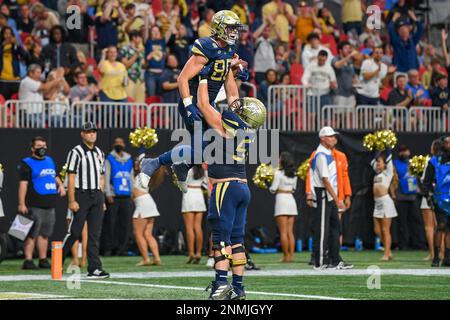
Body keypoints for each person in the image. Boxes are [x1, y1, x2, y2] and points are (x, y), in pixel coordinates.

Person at [138, 10, 247, 192]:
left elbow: (229, 84)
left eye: (235, 28)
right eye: (230, 28)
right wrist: (188, 105)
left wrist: (235, 106)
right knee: (201, 151)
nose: (234, 32)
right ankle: (154, 163)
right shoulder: (206, 47)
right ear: (219, 28)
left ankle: (182, 166)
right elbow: (182, 78)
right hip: (195, 103)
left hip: (207, 104)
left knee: (208, 149)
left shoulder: (229, 49)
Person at [196, 79, 266, 300]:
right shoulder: (249, 127)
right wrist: (228, 73)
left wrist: (203, 78)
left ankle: (220, 284)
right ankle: (238, 287)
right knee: (237, 240)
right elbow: (234, 97)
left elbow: (203, 104)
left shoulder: (226, 125)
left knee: (220, 239)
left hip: (225, 186)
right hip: (242, 187)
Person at [62, 122, 109, 279]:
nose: (92, 134)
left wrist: (101, 199)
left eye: (94, 132)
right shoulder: (76, 152)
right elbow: (71, 176)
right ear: (82, 134)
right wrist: (71, 200)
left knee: (95, 234)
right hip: (81, 195)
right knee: (75, 232)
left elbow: (101, 177)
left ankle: (94, 268)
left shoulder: (100, 153)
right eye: (89, 132)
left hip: (96, 195)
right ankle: (58, 259)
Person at [18, 136, 65, 269]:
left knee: (45, 234)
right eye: (39, 146)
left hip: (49, 204)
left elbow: (54, 175)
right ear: (32, 148)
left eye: (44, 146)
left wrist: (60, 185)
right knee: (32, 234)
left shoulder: (49, 160)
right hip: (34, 204)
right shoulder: (27, 163)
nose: (42, 149)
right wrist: (22, 203)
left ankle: (43, 259)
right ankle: (28, 260)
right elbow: (23, 184)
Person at [102, 137, 134, 256]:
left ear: (124, 145)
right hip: (114, 196)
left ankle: (122, 248)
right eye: (116, 143)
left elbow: (131, 177)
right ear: (113, 145)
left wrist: (132, 192)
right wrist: (108, 193)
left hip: (126, 196)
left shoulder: (129, 159)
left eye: (121, 142)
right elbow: (106, 176)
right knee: (110, 224)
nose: (119, 144)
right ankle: (108, 248)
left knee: (125, 224)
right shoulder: (109, 159)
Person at [422, 136, 450, 267]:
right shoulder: (435, 161)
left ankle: (448, 257)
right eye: (447, 142)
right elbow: (427, 180)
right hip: (440, 198)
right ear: (443, 144)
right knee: (441, 226)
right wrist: (427, 195)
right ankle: (436, 257)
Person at [132, 153, 163, 266]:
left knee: (138, 233)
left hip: (143, 204)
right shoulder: (145, 175)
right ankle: (157, 258)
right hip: (148, 203)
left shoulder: (142, 175)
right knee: (147, 234)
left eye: (137, 161)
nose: (135, 163)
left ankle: (146, 259)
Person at [393, 145, 426, 250]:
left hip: (413, 197)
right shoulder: (395, 163)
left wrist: (419, 188)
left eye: (405, 151)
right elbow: (393, 180)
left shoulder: (413, 163)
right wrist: (394, 194)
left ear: (409, 151)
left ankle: (419, 244)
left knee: (417, 222)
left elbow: (420, 177)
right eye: (401, 151)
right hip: (401, 197)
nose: (403, 153)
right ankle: (404, 245)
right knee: (402, 223)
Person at [269, 152, 298, 263]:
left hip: (281, 200)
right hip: (291, 200)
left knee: (283, 232)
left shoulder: (278, 173)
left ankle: (286, 256)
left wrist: (269, 184)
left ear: (283, 160)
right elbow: (294, 189)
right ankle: (291, 256)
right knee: (290, 231)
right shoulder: (294, 173)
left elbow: (273, 189)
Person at [371, 147, 397, 261]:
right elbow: (372, 158)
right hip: (377, 204)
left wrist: (387, 145)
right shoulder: (376, 172)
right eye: (377, 163)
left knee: (386, 230)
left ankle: (386, 254)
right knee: (377, 230)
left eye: (380, 162)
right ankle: (388, 250)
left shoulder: (388, 172)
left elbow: (389, 157)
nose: (377, 164)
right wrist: (376, 146)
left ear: (385, 164)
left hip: (386, 202)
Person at [182, 165, 209, 264]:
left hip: (189, 193)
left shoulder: (187, 169)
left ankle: (191, 253)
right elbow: (206, 184)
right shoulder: (203, 171)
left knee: (189, 227)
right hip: (199, 194)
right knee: (198, 227)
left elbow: (181, 182)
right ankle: (198, 253)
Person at [420, 139, 441, 261]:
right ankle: (443, 253)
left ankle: (433, 254)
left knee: (429, 227)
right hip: (443, 197)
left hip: (429, 196)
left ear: (433, 149)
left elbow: (425, 181)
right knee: (442, 227)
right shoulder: (445, 162)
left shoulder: (431, 162)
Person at [0, 26, 27, 100]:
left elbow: (25, 56)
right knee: (3, 104)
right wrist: (2, 45)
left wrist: (18, 45)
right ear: (2, 35)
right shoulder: (1, 45)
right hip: (3, 80)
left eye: (10, 33)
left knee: (14, 105)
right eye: (5, 33)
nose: (8, 36)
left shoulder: (15, 46)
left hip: (15, 79)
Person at [119, 30, 146, 103]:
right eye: (140, 37)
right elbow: (125, 65)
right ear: (134, 38)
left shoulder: (140, 50)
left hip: (140, 79)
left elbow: (143, 65)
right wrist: (137, 54)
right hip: (128, 78)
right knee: (129, 102)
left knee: (140, 103)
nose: (141, 40)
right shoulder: (125, 49)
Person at [332, 41, 358, 107]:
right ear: (340, 50)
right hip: (339, 94)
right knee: (338, 116)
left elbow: (353, 76)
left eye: (349, 48)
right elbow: (337, 65)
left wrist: (355, 81)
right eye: (346, 48)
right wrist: (349, 56)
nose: (348, 50)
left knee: (349, 116)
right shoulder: (335, 59)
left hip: (351, 94)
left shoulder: (350, 61)